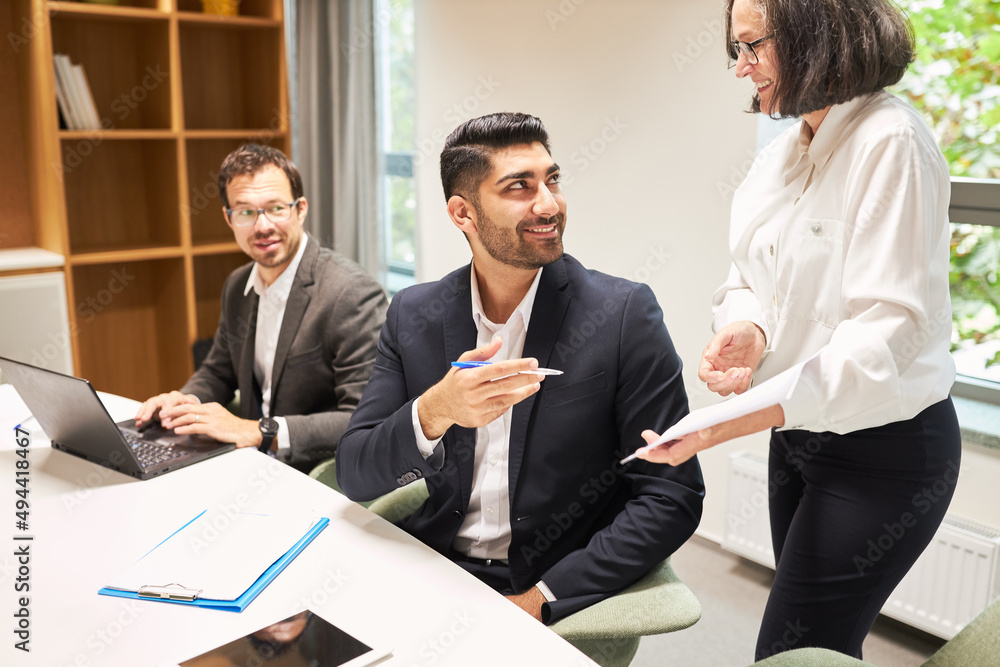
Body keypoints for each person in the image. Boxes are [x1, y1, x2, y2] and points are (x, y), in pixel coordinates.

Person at [637, 0, 962, 659]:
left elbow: (884, 337)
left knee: (791, 650)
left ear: (818, 31)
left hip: (886, 453)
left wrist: (727, 423)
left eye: (752, 46)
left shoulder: (889, 142)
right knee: (822, 650)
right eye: (736, 50)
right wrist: (750, 328)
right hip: (800, 436)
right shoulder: (784, 153)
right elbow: (749, 277)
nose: (741, 69)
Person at [335, 112, 704, 624]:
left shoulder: (623, 316)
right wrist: (435, 411)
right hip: (431, 570)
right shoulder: (412, 314)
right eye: (519, 187)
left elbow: (672, 494)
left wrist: (540, 600)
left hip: (546, 585)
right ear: (463, 213)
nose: (549, 204)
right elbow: (355, 473)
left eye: (551, 180)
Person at [135, 144, 387, 472]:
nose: (262, 226)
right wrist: (184, 404)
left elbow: (367, 419)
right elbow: (218, 372)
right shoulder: (238, 285)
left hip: (318, 475)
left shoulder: (349, 293)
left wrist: (259, 431)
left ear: (300, 209)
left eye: (276, 208)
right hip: (250, 464)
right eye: (245, 212)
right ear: (229, 218)